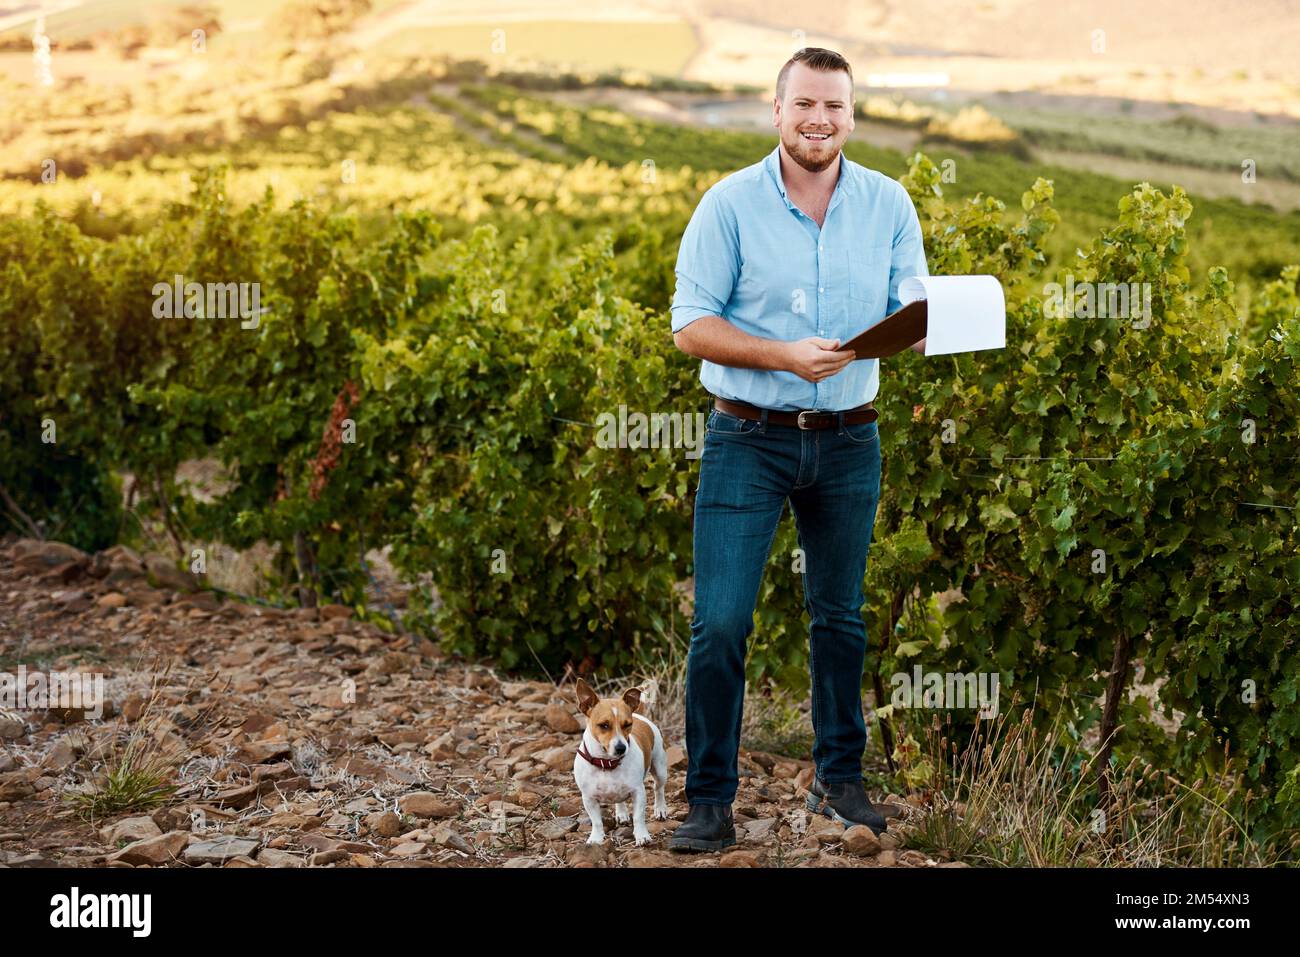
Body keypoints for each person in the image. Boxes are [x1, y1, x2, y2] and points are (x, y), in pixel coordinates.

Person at [667, 47, 929, 853]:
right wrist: (784, 355)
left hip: (852, 441)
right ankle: (709, 799)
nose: (821, 120)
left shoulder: (887, 204)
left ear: (852, 115)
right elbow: (690, 325)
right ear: (776, 110)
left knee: (841, 619)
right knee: (719, 622)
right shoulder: (728, 205)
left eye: (836, 107)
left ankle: (838, 782)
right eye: (806, 104)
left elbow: (913, 301)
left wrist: (925, 325)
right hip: (748, 435)